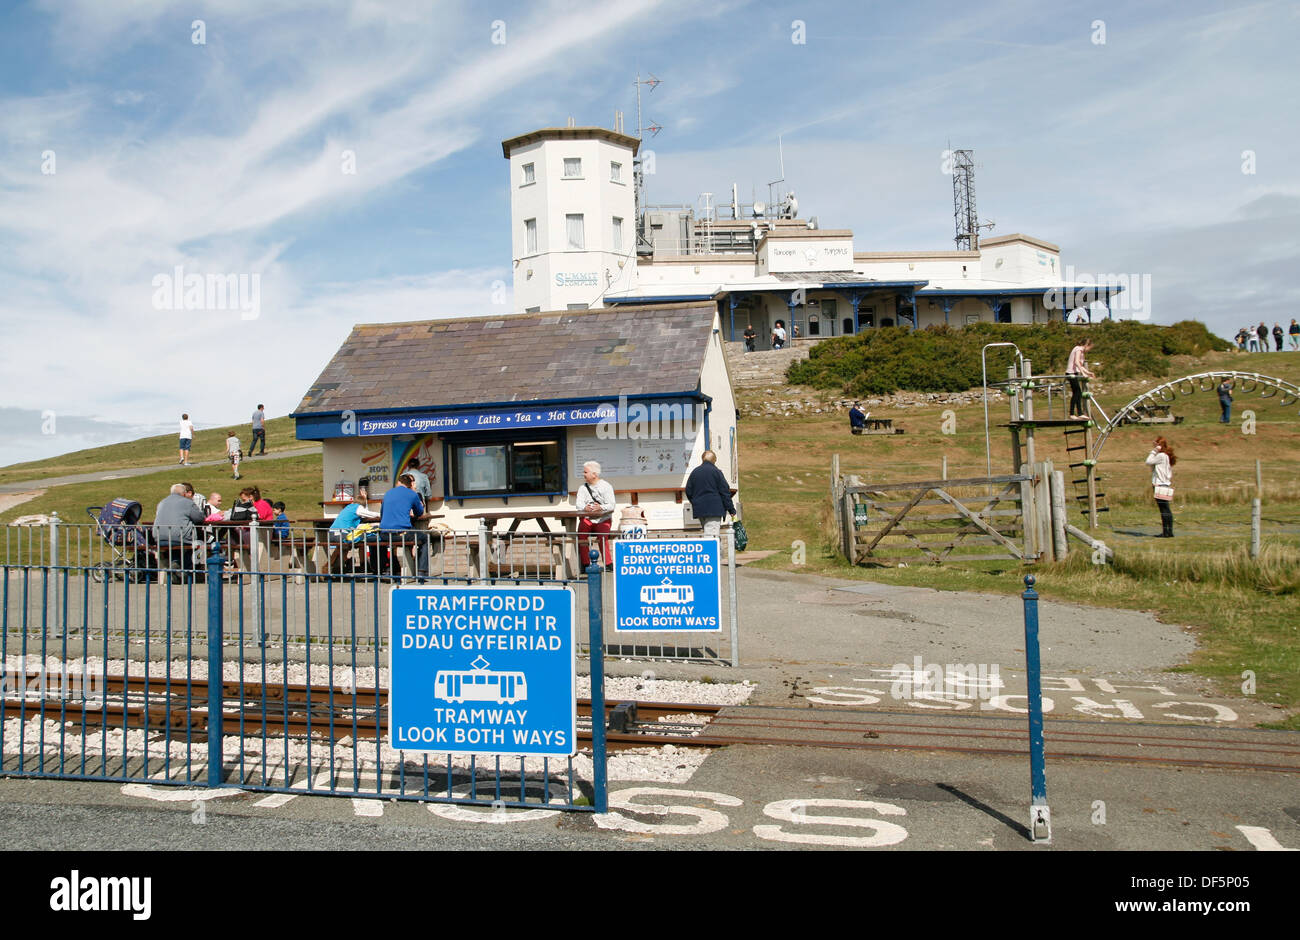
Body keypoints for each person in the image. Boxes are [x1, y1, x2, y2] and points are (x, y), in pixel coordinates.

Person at [377, 473, 433, 580]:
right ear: (410, 484)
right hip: (402, 533)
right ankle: (422, 572)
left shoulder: (388, 493)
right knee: (425, 538)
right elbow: (420, 512)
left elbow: (382, 513)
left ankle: (391, 569)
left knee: (387, 543)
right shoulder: (412, 494)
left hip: (384, 533)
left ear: (399, 482)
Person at [153, 483, 207, 578]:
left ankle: (175, 563)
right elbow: (199, 518)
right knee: (199, 544)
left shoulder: (162, 502)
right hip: (179, 536)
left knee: (175, 546)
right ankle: (186, 571)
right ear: (184, 493)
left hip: (159, 537)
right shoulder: (187, 502)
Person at [685, 450, 736, 539]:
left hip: (700, 509)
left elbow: (688, 491)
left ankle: (718, 553)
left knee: (709, 533)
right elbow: (725, 492)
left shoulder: (695, 472)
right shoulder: (716, 472)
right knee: (711, 536)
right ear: (714, 460)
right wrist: (731, 510)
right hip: (714, 509)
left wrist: (695, 502)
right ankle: (713, 552)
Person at [576, 461, 616, 569]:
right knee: (582, 536)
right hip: (588, 518)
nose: (583, 474)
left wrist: (601, 507)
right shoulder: (582, 488)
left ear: (594, 474)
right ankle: (585, 563)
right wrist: (585, 508)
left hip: (603, 518)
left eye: (585, 472)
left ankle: (608, 563)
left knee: (602, 537)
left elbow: (612, 505)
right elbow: (578, 504)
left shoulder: (606, 486)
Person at [1145, 437, 1176, 538]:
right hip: (1165, 484)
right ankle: (1168, 531)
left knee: (1164, 510)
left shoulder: (1161, 456)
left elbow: (1148, 461)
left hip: (1160, 485)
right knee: (1165, 509)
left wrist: (1154, 451)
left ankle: (1167, 532)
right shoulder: (1165, 456)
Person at [1065, 337, 1097, 418]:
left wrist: (1088, 373)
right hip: (1070, 373)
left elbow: (1080, 365)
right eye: (1090, 348)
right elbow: (1076, 362)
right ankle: (1072, 414)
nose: (1089, 350)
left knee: (1078, 393)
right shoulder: (1078, 349)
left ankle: (1080, 413)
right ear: (1086, 345)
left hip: (1075, 373)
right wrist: (1083, 373)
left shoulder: (1081, 352)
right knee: (1077, 392)